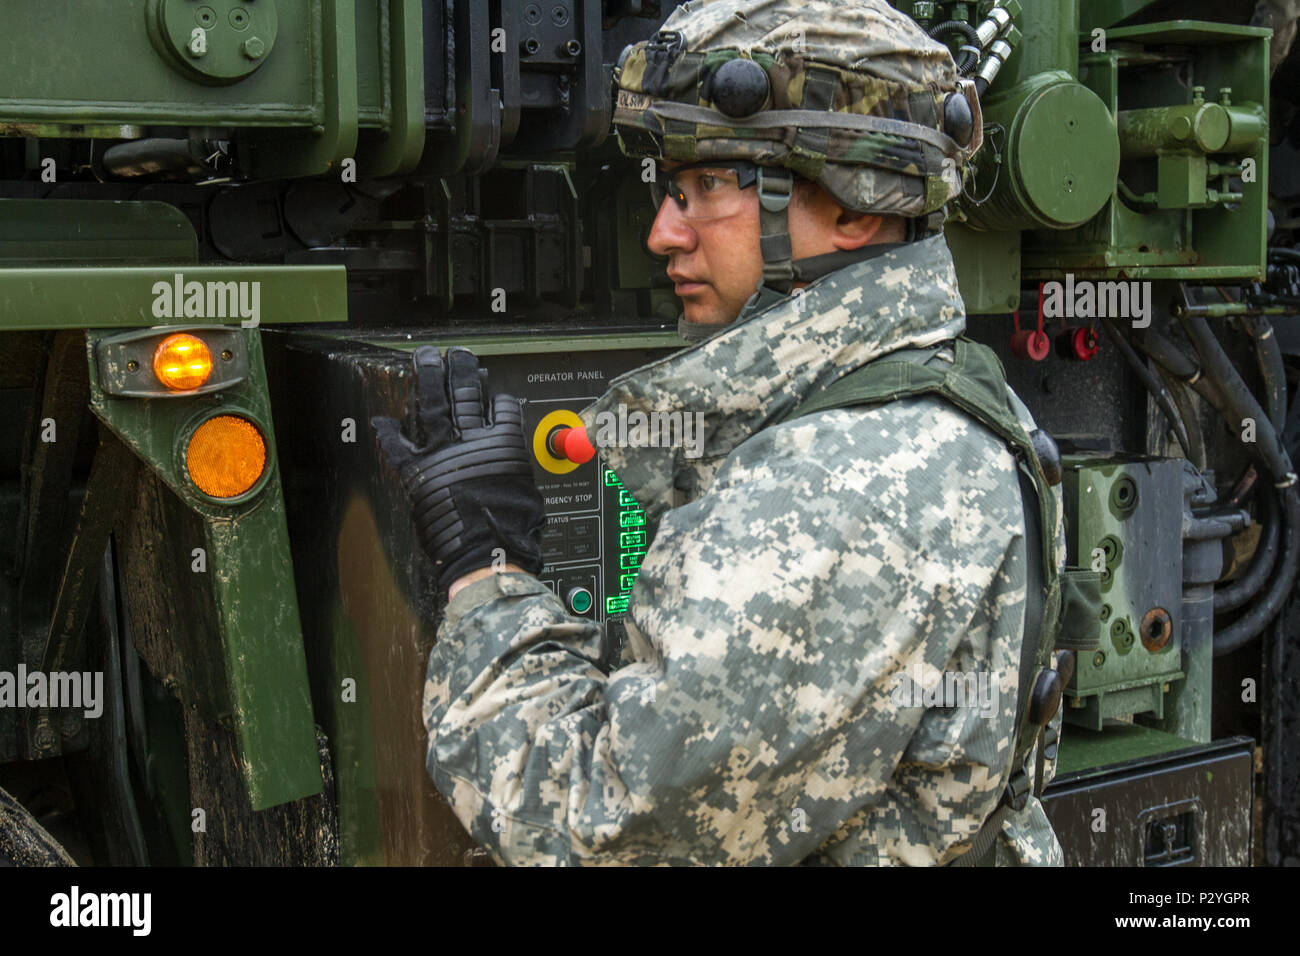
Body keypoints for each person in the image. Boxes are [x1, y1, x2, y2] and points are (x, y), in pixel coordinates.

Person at [374, 0, 1066, 866]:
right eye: (670, 190)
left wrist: (487, 573)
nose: (664, 231)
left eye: (706, 188)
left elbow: (599, 820)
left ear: (854, 207)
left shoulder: (832, 491)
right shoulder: (925, 397)